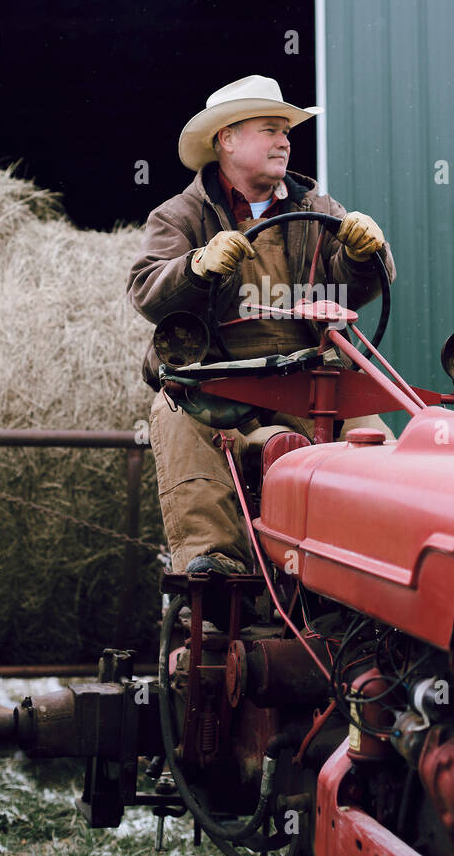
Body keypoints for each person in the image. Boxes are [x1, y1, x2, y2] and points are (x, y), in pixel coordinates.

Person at [126, 74, 396, 609]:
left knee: (378, 441)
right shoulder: (180, 216)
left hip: (308, 383)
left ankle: (381, 566)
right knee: (175, 411)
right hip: (218, 389)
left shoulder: (318, 208)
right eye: (271, 130)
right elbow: (147, 292)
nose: (285, 141)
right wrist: (195, 268)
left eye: (287, 132)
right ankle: (214, 568)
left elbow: (350, 286)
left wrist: (368, 255)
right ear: (227, 139)